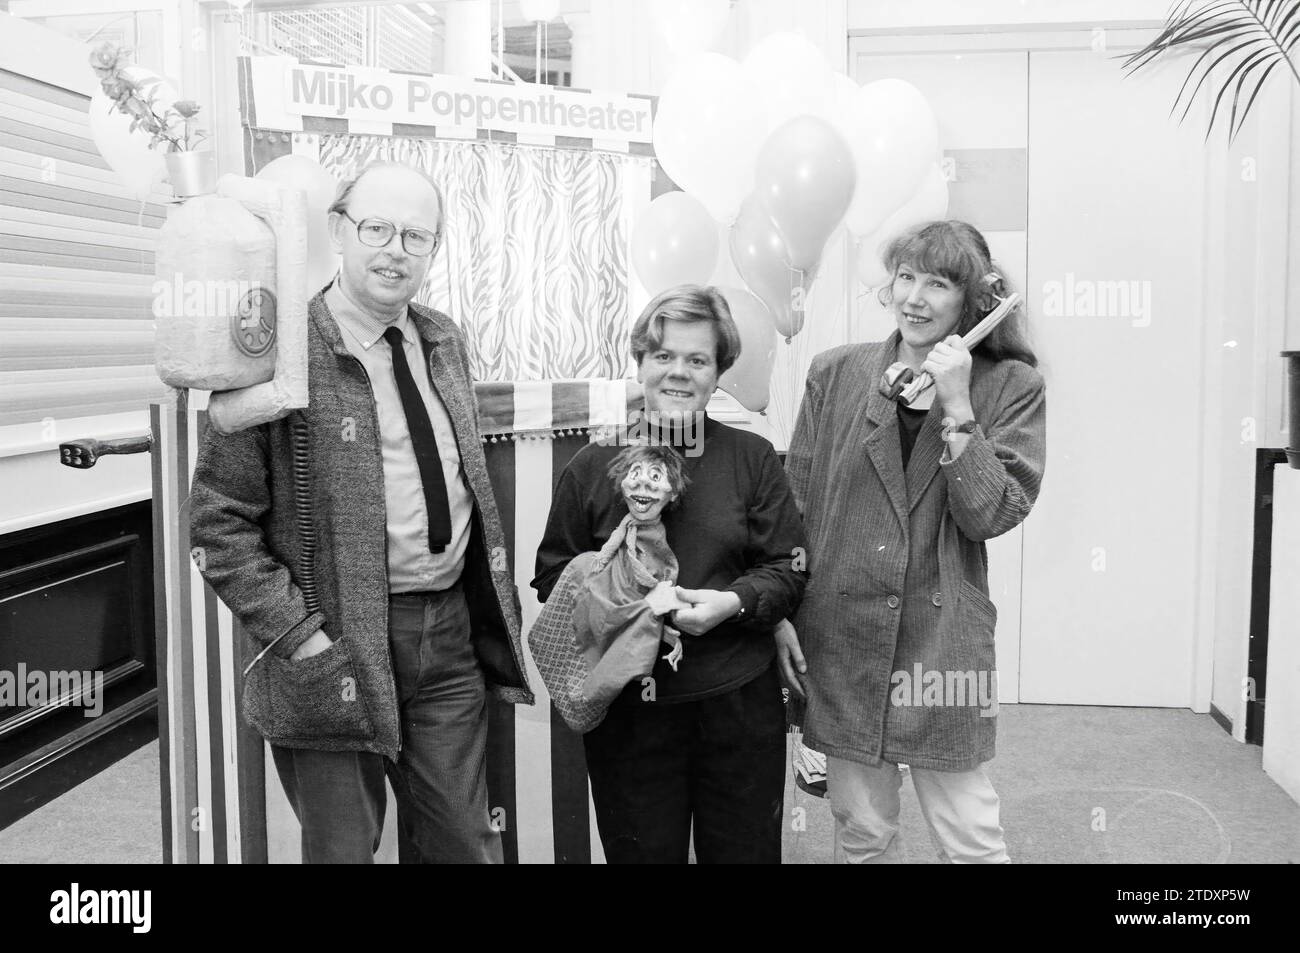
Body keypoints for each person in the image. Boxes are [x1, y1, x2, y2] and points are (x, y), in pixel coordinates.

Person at [189, 161, 532, 864]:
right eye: (376, 227)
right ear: (338, 231)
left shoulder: (443, 339)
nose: (395, 249)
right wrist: (302, 635)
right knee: (344, 851)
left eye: (416, 235)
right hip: (334, 643)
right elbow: (218, 524)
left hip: (447, 639)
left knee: (465, 846)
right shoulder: (275, 348)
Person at [782, 220, 1046, 863]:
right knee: (862, 829)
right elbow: (795, 505)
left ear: (976, 301)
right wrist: (784, 615)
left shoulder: (1011, 384)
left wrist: (958, 407)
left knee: (970, 831)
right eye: (906, 276)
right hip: (841, 630)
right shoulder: (835, 374)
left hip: (942, 638)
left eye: (939, 283)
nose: (915, 298)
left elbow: (993, 512)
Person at [532, 285, 806, 864]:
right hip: (631, 712)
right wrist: (616, 593)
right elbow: (552, 576)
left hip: (737, 704)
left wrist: (732, 603)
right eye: (663, 356)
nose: (678, 373)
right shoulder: (594, 465)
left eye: (697, 359)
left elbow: (788, 568)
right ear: (640, 362)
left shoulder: (752, 458)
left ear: (719, 370)